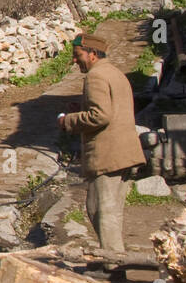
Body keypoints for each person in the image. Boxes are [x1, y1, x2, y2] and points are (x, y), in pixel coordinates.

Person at [57, 33, 144, 253]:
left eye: (78, 56)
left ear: (92, 54)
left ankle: (113, 265)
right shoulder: (114, 73)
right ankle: (114, 258)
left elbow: (100, 116)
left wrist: (68, 121)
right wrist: (82, 106)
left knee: (103, 211)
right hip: (124, 152)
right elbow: (111, 108)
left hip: (108, 154)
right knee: (102, 209)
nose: (75, 61)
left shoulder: (95, 77)